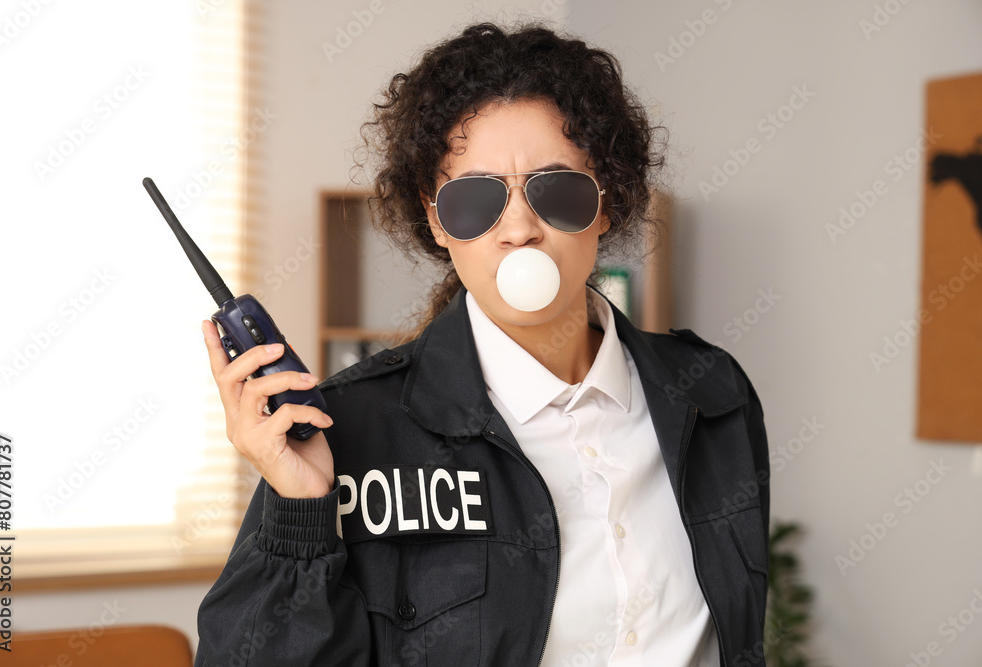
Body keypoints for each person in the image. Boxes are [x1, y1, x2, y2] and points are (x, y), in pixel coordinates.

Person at [194, 21, 770, 667]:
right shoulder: (345, 433)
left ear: (605, 205)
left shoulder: (713, 395)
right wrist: (300, 514)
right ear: (438, 219)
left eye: (558, 190)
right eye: (474, 199)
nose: (519, 228)